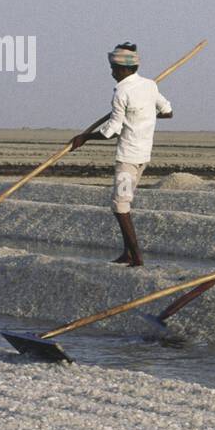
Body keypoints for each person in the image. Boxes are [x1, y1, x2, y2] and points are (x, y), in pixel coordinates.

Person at [69, 42, 173, 266]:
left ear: (124, 69)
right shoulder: (150, 86)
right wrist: (144, 116)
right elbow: (168, 111)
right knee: (123, 203)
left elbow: (111, 131)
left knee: (120, 206)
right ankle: (127, 253)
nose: (111, 73)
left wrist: (84, 138)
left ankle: (136, 257)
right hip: (144, 155)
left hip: (128, 159)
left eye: (114, 68)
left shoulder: (121, 92)